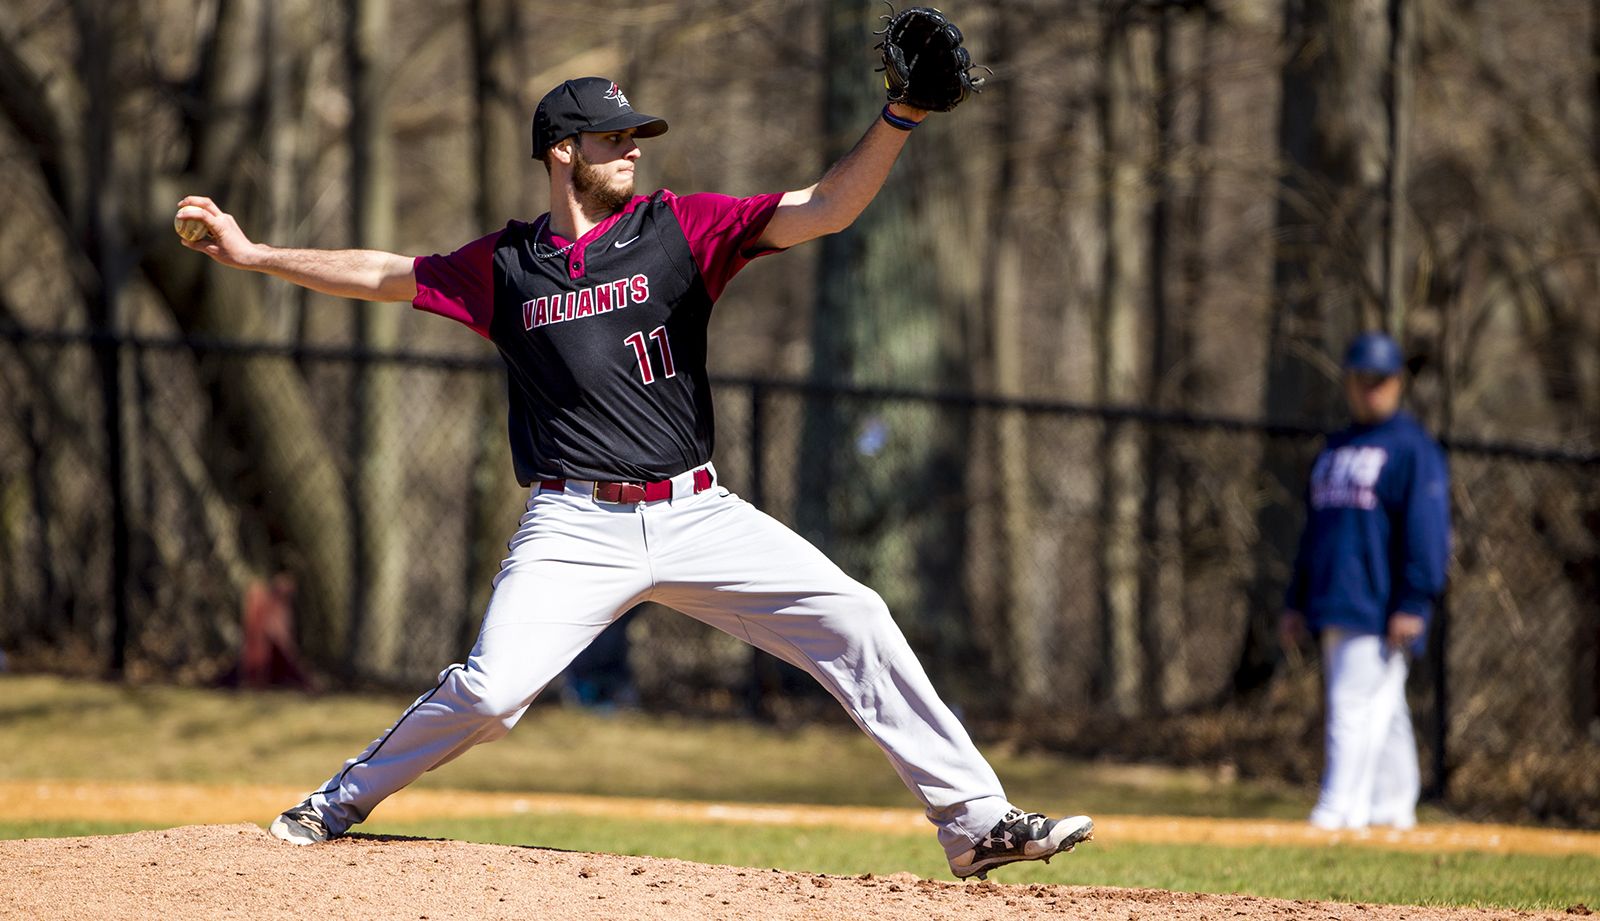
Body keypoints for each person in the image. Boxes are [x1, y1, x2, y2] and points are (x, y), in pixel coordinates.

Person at [175, 74, 1092, 880]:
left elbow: (824, 208)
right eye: (615, 140)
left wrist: (899, 117)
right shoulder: (507, 266)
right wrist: (254, 256)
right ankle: (334, 802)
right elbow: (384, 273)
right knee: (493, 692)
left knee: (856, 615)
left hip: (700, 512)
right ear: (563, 151)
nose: (633, 154)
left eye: (637, 140)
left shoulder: (679, 229)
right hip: (574, 526)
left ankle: (976, 823)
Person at [1278, 332, 1452, 830]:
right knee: (1384, 709)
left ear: (1397, 383)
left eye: (1378, 381)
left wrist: (1414, 601)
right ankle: (1392, 810)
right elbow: (1314, 533)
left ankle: (1337, 810)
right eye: (1359, 380)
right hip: (1332, 597)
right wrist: (1295, 600)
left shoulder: (1413, 449)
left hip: (1379, 604)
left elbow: (1427, 532)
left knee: (1352, 706)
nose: (1368, 390)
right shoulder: (1335, 447)